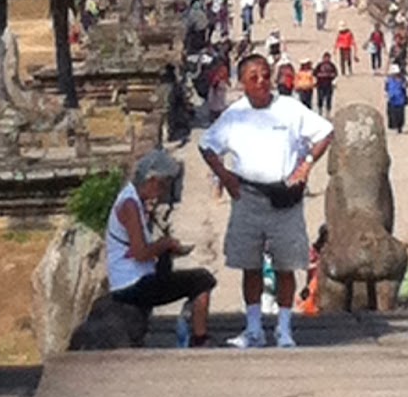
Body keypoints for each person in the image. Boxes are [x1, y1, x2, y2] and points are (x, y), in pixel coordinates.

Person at [200, 53, 333, 349]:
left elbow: (325, 132)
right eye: (253, 77)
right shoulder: (235, 114)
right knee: (250, 265)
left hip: (285, 196)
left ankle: (284, 328)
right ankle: (254, 328)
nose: (261, 82)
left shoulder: (289, 108)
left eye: (264, 75)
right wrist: (225, 176)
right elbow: (207, 145)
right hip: (247, 195)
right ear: (243, 83)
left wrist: (306, 164)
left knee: (286, 265)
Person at [105, 148, 216, 346]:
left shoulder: (136, 201)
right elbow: (140, 252)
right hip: (131, 283)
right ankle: (200, 338)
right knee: (203, 280)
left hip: (137, 277)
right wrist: (165, 243)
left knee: (177, 269)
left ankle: (191, 324)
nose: (163, 191)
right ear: (152, 180)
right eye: (163, 185)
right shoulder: (129, 204)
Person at [385, 63, 408, 132]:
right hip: (393, 99)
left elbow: (406, 86)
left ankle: (399, 126)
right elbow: (386, 88)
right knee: (393, 114)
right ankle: (395, 125)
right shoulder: (389, 80)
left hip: (400, 99)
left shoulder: (402, 79)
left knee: (400, 114)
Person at [314, 51, 338, 116]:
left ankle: (328, 113)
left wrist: (330, 76)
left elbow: (336, 73)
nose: (326, 59)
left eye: (328, 58)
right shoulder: (319, 65)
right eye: (325, 58)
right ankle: (320, 112)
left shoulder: (332, 65)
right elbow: (314, 73)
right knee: (320, 99)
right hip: (320, 85)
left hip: (329, 85)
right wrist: (320, 75)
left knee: (328, 99)